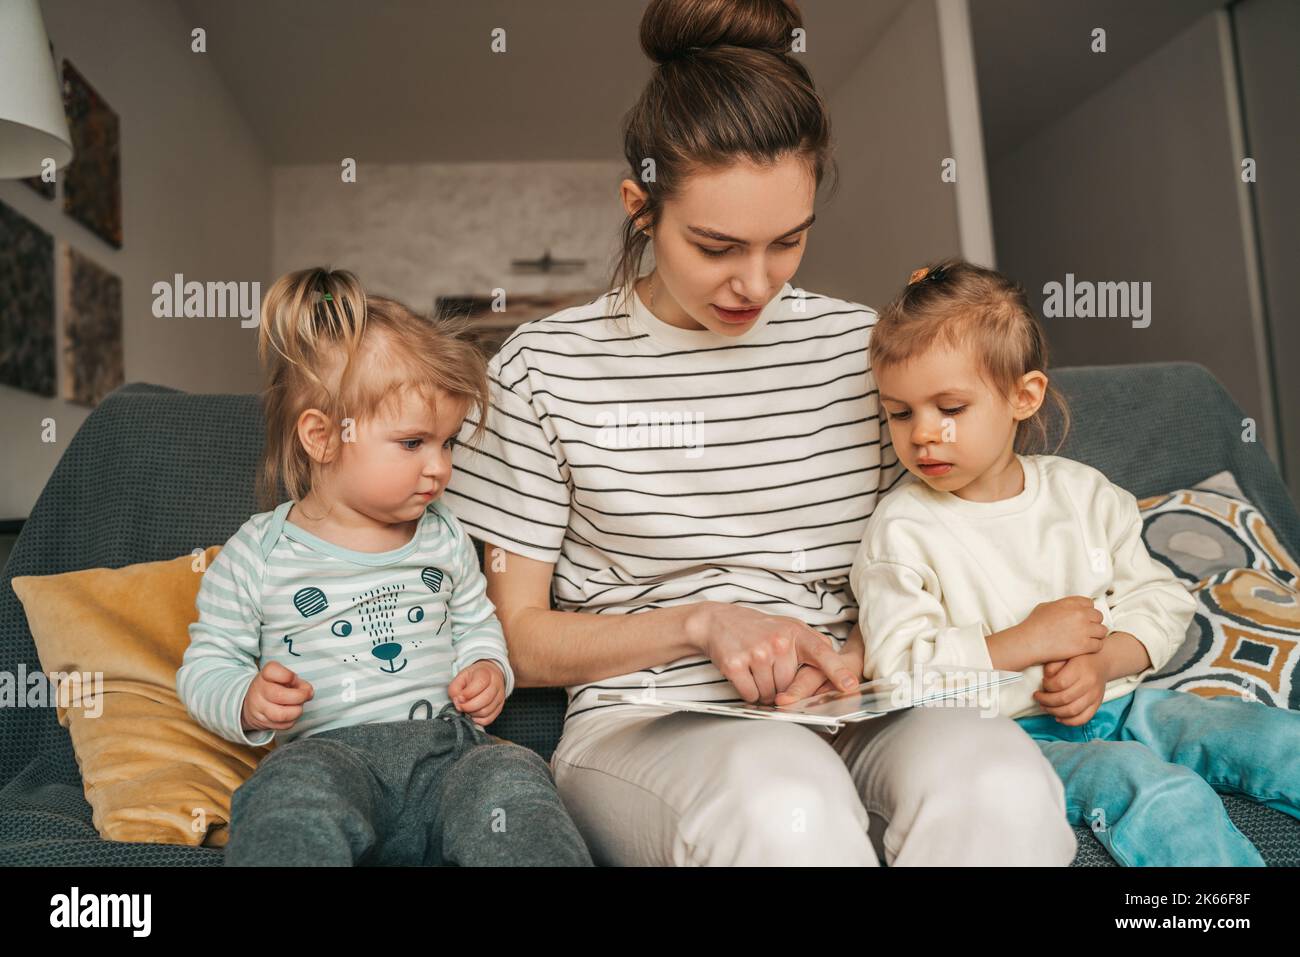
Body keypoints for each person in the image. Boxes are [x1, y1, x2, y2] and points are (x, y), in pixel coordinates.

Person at [441, 0, 1077, 866]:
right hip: (648, 721)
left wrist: (859, 650)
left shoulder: (867, 350)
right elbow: (518, 633)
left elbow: (938, 546)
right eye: (716, 245)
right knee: (784, 800)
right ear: (640, 207)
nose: (755, 282)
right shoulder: (543, 369)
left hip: (866, 701)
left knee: (1002, 785)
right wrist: (701, 624)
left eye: (788, 242)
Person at [852, 257, 1300, 866]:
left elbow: (1161, 598)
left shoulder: (1083, 493)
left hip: (1129, 702)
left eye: (949, 408)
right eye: (900, 413)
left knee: (1272, 738)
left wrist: (1108, 658)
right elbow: (898, 675)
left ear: (1023, 396)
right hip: (1015, 740)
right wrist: (1022, 642)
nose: (924, 433)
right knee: (1161, 795)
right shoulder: (902, 530)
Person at [177, 267, 592, 866]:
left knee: (510, 775)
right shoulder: (258, 553)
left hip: (449, 753)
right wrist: (245, 698)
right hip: (327, 754)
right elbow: (206, 664)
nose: (440, 468)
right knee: (286, 797)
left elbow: (476, 623)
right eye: (413, 443)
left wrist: (486, 666)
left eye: (447, 443)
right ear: (321, 438)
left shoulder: (444, 534)